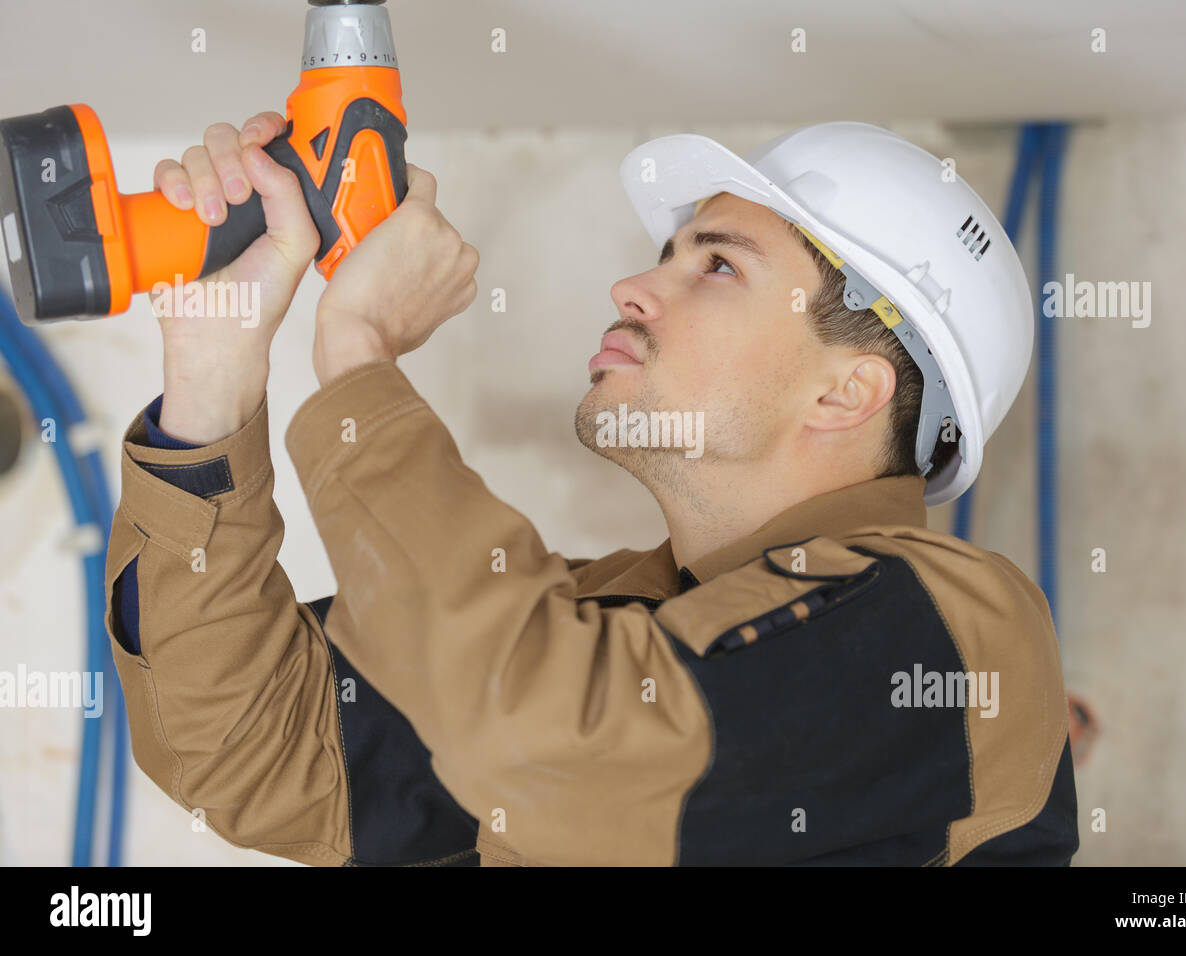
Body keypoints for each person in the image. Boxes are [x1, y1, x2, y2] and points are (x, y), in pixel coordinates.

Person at [106, 111, 1078, 866]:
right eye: (668, 254)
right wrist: (213, 376)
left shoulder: (955, 627)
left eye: (718, 265)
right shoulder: (597, 622)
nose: (632, 286)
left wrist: (360, 357)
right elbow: (248, 749)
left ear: (846, 388)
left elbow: (551, 743)